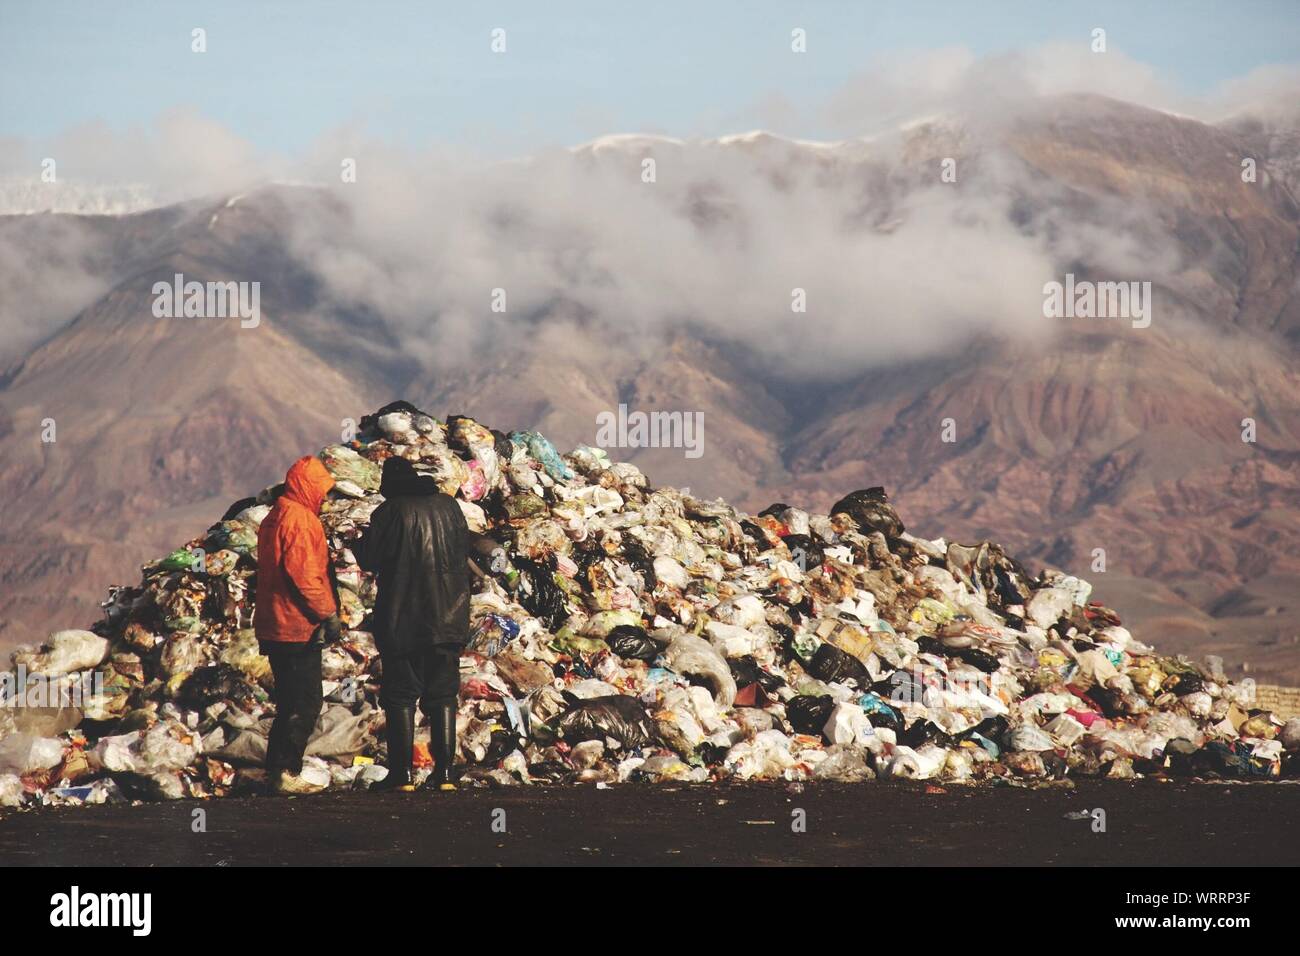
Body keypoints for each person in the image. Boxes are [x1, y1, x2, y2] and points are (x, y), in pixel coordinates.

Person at [356, 457, 471, 792]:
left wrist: (359, 542)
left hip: (402, 620)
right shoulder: (450, 507)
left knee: (401, 694)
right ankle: (446, 774)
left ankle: (402, 775)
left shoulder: (390, 512)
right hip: (449, 619)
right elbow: (462, 551)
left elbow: (371, 558)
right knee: (444, 694)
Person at [253, 456, 342, 795]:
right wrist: (328, 613)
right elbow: (305, 578)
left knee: (290, 701)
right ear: (309, 487)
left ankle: (276, 771)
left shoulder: (275, 516)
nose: (324, 497)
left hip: (274, 622)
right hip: (295, 625)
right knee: (305, 701)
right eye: (321, 490)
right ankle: (286, 771)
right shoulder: (301, 521)